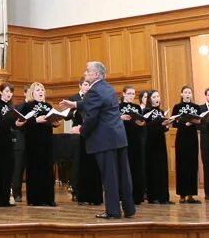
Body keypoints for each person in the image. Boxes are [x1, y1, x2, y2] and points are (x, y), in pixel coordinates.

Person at [75, 61, 135, 219]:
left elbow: (92, 117)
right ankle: (129, 209)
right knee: (123, 175)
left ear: (96, 74)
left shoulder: (93, 91)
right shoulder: (108, 88)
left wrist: (80, 129)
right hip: (118, 137)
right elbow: (99, 106)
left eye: (88, 71)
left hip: (104, 140)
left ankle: (113, 211)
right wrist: (75, 104)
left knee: (110, 177)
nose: (85, 73)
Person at [60, 76, 101, 206]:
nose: (87, 86)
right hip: (77, 135)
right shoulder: (73, 99)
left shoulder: (93, 98)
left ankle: (92, 193)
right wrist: (75, 110)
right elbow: (66, 116)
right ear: (80, 85)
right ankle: (77, 192)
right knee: (78, 163)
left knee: (91, 162)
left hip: (91, 134)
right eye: (85, 84)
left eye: (89, 84)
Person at [0, 82, 24, 207]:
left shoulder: (11, 106)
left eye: (11, 92)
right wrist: (11, 122)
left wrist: (16, 124)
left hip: (8, 141)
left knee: (7, 169)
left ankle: (5, 198)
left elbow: (12, 124)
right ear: (1, 92)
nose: (9, 94)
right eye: (7, 91)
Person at [19, 81, 57, 207]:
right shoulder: (27, 106)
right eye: (37, 90)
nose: (41, 92)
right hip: (33, 142)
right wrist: (36, 120)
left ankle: (48, 199)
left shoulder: (48, 106)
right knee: (35, 169)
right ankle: (35, 199)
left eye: (42, 90)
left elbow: (53, 119)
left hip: (47, 142)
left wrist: (55, 122)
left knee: (47, 170)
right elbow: (21, 125)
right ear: (32, 93)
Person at [171, 86, 203, 203]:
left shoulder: (196, 107)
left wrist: (195, 122)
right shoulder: (177, 107)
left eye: (189, 92)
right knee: (182, 164)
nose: (188, 94)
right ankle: (182, 195)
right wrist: (184, 123)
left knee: (192, 164)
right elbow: (174, 122)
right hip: (181, 137)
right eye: (185, 92)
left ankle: (191, 195)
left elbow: (200, 122)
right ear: (181, 94)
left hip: (192, 138)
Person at [142, 89, 172, 204]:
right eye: (154, 97)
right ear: (150, 99)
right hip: (150, 143)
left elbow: (162, 128)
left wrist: (166, 125)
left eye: (158, 96)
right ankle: (153, 196)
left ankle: (163, 197)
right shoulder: (146, 111)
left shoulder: (161, 112)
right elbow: (147, 128)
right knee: (152, 169)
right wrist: (160, 124)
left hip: (160, 143)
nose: (157, 99)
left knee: (162, 168)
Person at [120, 85, 147, 208]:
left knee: (137, 167)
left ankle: (138, 195)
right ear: (124, 94)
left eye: (133, 94)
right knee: (124, 167)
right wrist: (121, 118)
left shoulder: (137, 107)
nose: (131, 96)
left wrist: (141, 123)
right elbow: (112, 120)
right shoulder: (118, 107)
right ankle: (123, 195)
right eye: (129, 93)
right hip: (122, 139)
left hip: (136, 140)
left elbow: (142, 124)